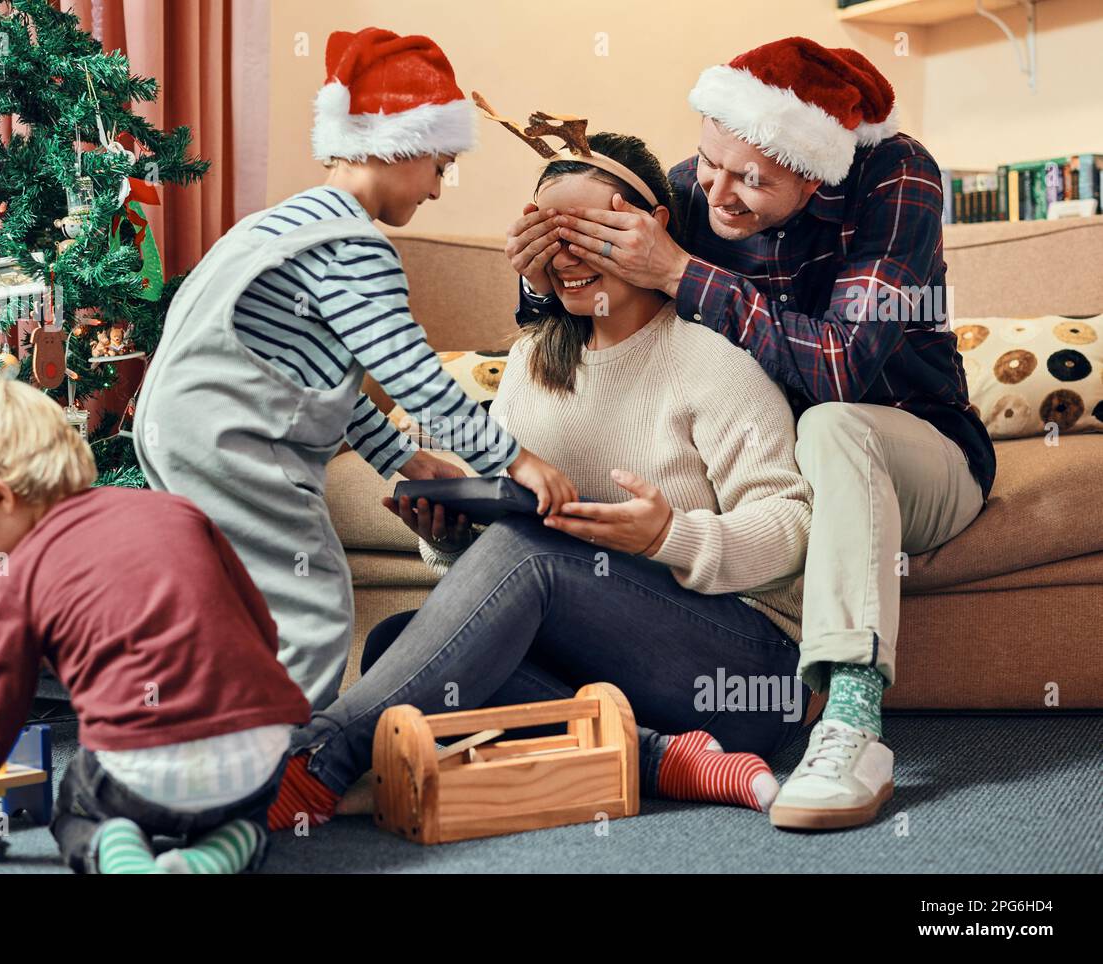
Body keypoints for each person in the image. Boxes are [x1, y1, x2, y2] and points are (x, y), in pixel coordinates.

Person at [263, 130, 816, 832]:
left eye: (589, 230)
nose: (567, 256)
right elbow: (512, 552)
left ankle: (318, 759)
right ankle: (661, 759)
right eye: (546, 235)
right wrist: (454, 536)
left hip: (750, 675)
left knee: (514, 571)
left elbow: (793, 527)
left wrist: (671, 536)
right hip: (626, 675)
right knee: (398, 647)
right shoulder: (533, 363)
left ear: (650, 226)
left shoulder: (713, 359)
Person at [511, 37, 994, 830]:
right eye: (708, 164)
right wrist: (537, 283)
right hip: (783, 464)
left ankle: (851, 717)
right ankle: (662, 747)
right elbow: (613, 302)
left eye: (753, 181)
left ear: (816, 171)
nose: (718, 195)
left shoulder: (897, 177)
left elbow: (841, 366)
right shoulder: (690, 190)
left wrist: (678, 271)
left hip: (915, 448)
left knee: (833, 426)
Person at [134, 27, 574, 713]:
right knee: (308, 603)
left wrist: (399, 456)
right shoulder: (356, 246)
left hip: (182, 427)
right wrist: (514, 459)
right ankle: (281, 770)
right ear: (405, 143)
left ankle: (196, 741)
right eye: (440, 165)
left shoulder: (283, 223)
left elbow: (319, 378)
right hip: (239, 439)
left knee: (228, 599)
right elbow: (412, 378)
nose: (437, 189)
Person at [0, 379, 311, 874]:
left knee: (75, 800)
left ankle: (121, 855)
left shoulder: (18, 571)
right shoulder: (176, 510)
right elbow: (261, 628)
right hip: (257, 750)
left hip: (141, 769)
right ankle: (221, 850)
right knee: (247, 810)